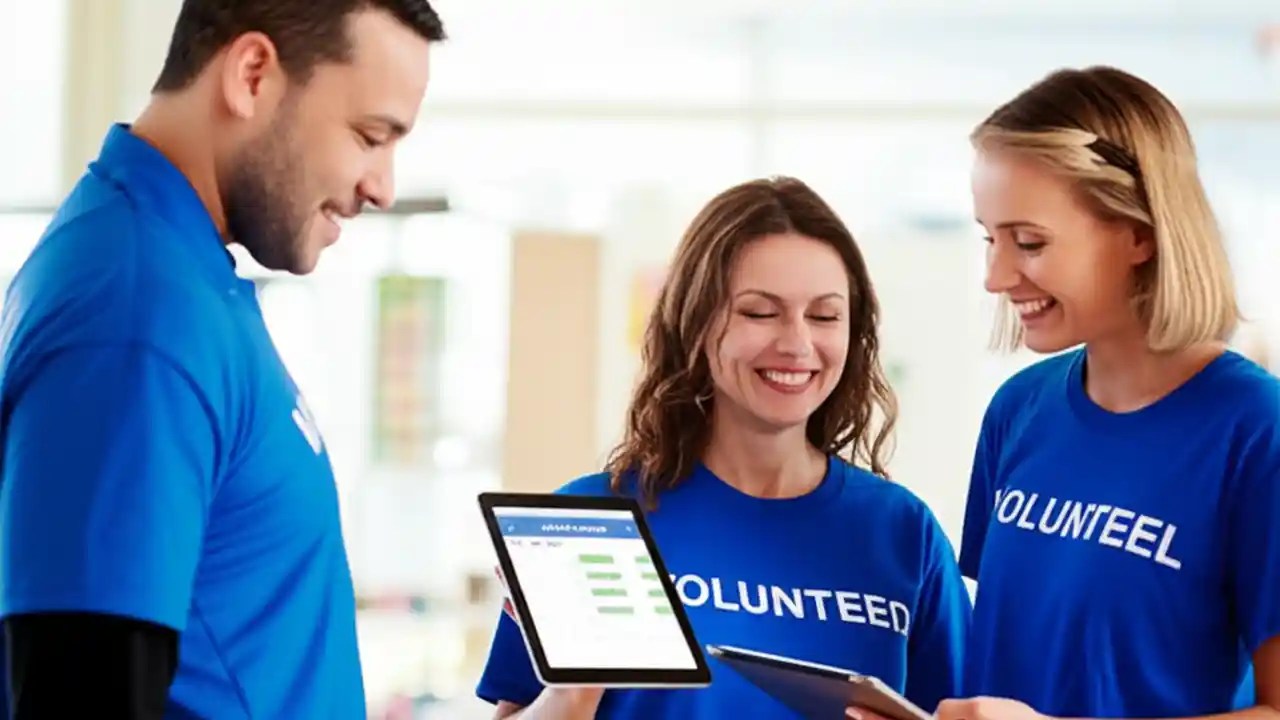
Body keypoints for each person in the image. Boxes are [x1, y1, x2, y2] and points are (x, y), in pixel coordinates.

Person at [0, 1, 445, 717]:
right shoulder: (139, 311)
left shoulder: (185, 280)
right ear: (252, 74)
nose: (381, 186)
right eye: (369, 136)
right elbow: (83, 687)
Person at [476, 176, 972, 719]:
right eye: (760, 312)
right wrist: (574, 689)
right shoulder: (592, 522)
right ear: (695, 321)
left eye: (825, 316)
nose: (797, 343)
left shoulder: (904, 535)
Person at [933, 66, 1280, 720]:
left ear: (1141, 233)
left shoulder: (1256, 429)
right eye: (989, 238)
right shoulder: (1019, 410)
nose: (995, 276)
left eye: (1028, 242)